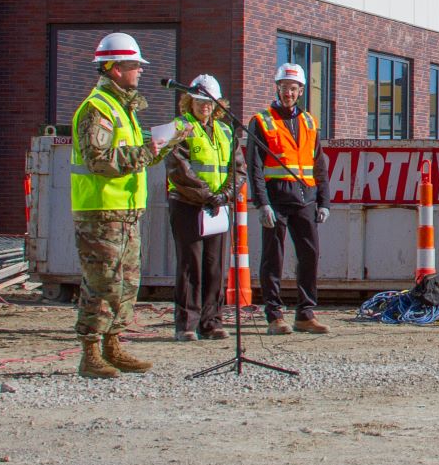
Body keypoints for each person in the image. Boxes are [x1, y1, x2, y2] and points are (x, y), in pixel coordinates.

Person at [70, 32, 193, 378]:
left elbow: (138, 158)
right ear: (113, 68)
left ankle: (113, 344)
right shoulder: (98, 109)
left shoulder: (122, 109)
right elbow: (101, 160)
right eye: (134, 65)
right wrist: (148, 151)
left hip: (124, 213)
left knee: (125, 283)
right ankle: (91, 352)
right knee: (101, 282)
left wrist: (166, 143)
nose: (139, 71)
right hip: (100, 213)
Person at [248, 62, 332, 335]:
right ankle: (274, 315)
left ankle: (305, 313)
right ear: (278, 88)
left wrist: (324, 201)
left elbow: (319, 164)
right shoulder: (261, 121)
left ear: (301, 91)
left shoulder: (309, 121)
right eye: (284, 88)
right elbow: (255, 167)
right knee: (274, 258)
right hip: (276, 200)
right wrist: (261, 203)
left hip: (305, 199)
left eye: (293, 88)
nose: (289, 93)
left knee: (310, 254)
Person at [165, 74, 246, 341]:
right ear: (189, 101)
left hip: (217, 207)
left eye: (209, 102)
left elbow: (238, 169)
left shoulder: (225, 131)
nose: (205, 106)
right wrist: (208, 195)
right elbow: (179, 169)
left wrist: (224, 195)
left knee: (214, 265)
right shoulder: (180, 127)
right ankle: (186, 324)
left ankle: (211, 322)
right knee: (190, 264)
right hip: (188, 204)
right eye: (199, 101)